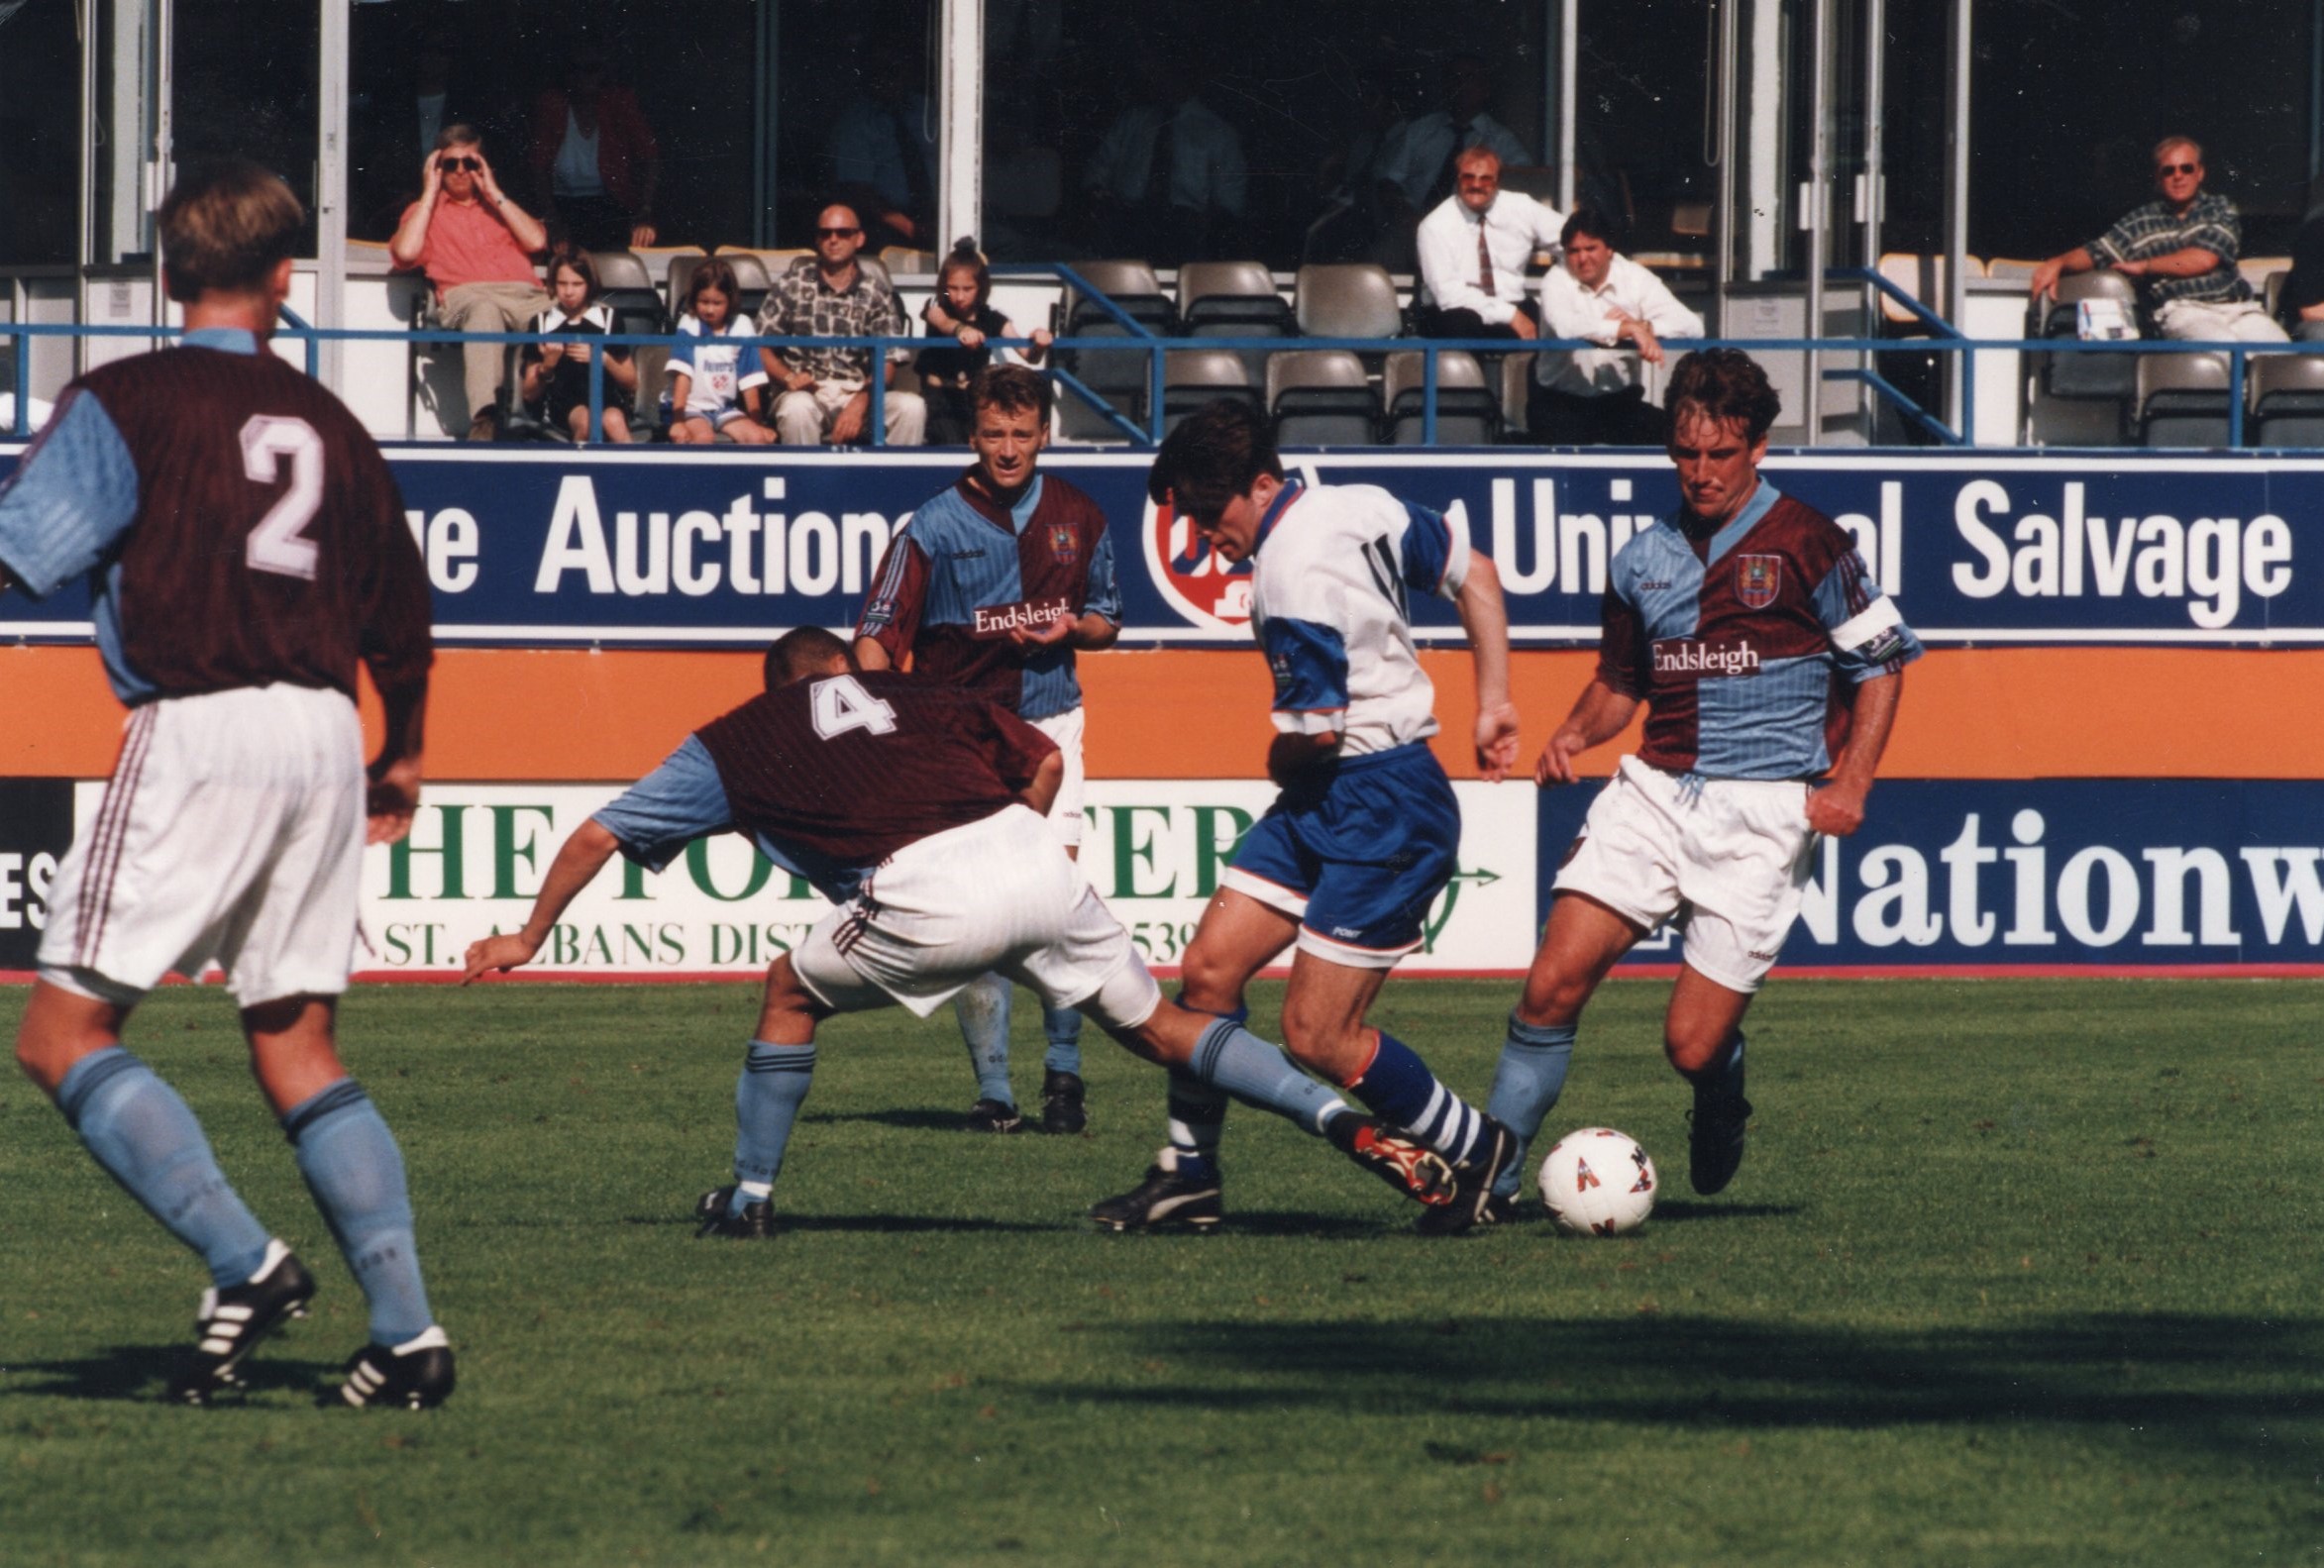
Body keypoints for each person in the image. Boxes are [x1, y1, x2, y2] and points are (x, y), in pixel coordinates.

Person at [460, 628, 1459, 1236]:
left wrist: (528, 933)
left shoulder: (740, 733)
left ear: (780, 684)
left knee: (788, 990)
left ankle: (751, 1194)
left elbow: (602, 828)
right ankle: (1343, 1122)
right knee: (1160, 1024)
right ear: (841, 668)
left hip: (924, 889)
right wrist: (1017, 837)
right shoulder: (913, 690)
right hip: (1028, 853)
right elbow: (1040, 759)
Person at [0, 160, 453, 1410]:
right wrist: (400, 746)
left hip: (197, 715)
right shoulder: (335, 424)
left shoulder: (124, 397)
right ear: (282, 280)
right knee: (297, 1041)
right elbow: (402, 616)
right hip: (320, 726)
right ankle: (407, 1332)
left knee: (63, 1033)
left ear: (164, 276)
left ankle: (243, 1260)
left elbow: (27, 549)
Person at [1478, 348, 1921, 1222]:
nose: (1702, 472)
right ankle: (1487, 1179)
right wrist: (1571, 730)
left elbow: (1884, 665)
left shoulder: (1809, 541)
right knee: (1550, 985)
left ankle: (1721, 1088)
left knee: (1689, 1044)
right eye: (1687, 454)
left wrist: (1852, 785)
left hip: (1763, 814)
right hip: (1654, 793)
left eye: (1721, 454)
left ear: (1757, 447)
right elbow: (1621, 684)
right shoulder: (1641, 558)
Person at [1091, 399, 1526, 1237]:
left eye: (1210, 513)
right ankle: (1189, 1176)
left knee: (1317, 1035)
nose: (1202, 533)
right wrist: (1494, 702)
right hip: (1341, 793)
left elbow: (1315, 734)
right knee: (1210, 970)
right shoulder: (1355, 502)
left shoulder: (1292, 573)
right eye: (1187, 515)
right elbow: (1478, 574)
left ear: (1260, 484)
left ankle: (1482, 1153)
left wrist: (1274, 761)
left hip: (1380, 801)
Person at [856, 365, 1114, 1135]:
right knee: (982, 912)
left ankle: (1063, 1078)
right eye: (994, 434)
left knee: (1054, 899)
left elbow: (1107, 617)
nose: (1008, 449)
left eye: (1022, 434)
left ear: (1044, 435)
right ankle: (994, 1091)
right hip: (963, 736)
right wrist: (885, 716)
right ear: (973, 437)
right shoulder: (932, 524)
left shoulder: (1079, 513)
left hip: (1051, 727)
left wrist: (1074, 630)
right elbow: (875, 634)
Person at [2028, 136, 2289, 344]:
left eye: (2186, 168)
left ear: (2200, 173)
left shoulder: (2220, 208)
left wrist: (2145, 266)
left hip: (2239, 309)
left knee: (2280, 356)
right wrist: (2059, 262)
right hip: (2183, 311)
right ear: (2158, 177)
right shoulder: (2139, 221)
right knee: (2222, 348)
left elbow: (2203, 259)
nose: (2178, 176)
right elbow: (2097, 251)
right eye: (2169, 170)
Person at [387, 124, 551, 442]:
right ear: (438, 167)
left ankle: (584, 415)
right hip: (466, 298)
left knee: (571, 317)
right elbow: (405, 253)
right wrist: (429, 193)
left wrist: (493, 191)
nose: (461, 171)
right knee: (484, 310)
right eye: (450, 164)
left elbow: (536, 242)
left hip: (525, 295)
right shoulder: (422, 211)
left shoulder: (500, 205)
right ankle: (485, 418)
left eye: (470, 163)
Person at [756, 204, 926, 448]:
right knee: (797, 408)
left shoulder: (875, 291)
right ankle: (806, 485)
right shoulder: (794, 284)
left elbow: (887, 362)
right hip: (806, 392)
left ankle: (895, 486)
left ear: (859, 238)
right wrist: (788, 377)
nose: (833, 240)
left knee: (911, 407)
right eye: (825, 233)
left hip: (859, 390)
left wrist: (860, 402)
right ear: (817, 239)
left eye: (843, 233)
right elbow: (761, 345)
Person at [1532, 207, 1705, 445]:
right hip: (1560, 404)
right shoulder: (1556, 279)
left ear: (1609, 249)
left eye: (1590, 248)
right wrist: (1626, 330)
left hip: (1620, 405)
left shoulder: (1635, 277)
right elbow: (1564, 327)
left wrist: (1645, 326)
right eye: (1574, 251)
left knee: (1680, 439)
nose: (1582, 259)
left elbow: (1693, 327)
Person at [1082, 52, 1249, 264]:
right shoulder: (1133, 121)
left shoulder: (1217, 132)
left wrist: (1203, 223)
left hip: (1185, 229)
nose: (1160, 79)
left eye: (1168, 71)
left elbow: (1230, 199)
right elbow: (1097, 170)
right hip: (1128, 220)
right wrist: (1104, 201)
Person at [1369, 53, 1532, 269]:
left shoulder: (1501, 141)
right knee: (1379, 263)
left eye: (1469, 78)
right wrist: (1408, 216)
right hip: (1412, 227)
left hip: (1469, 233)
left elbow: (1523, 185)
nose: (1461, 86)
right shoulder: (1420, 131)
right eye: (1454, 78)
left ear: (1485, 89)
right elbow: (1388, 181)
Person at [1413, 147, 1564, 341]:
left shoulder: (1521, 207)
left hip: (1511, 301)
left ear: (1497, 182)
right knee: (1462, 324)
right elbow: (1448, 293)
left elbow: (1574, 239)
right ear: (1458, 179)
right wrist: (1510, 315)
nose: (1476, 184)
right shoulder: (1434, 226)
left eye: (1485, 178)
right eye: (1468, 177)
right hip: (1455, 311)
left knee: (1551, 327)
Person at [915, 238, 1053, 446]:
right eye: (952, 288)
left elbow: (1029, 355)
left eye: (967, 289)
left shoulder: (991, 318)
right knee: (953, 443)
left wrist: (1040, 342)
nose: (959, 296)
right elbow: (942, 322)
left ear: (980, 288)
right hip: (939, 400)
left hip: (974, 401)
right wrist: (961, 330)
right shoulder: (937, 304)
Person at [524, 47, 661, 251]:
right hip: (563, 206)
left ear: (603, 73)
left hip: (612, 203)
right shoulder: (552, 105)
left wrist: (645, 211)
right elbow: (538, 168)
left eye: (591, 69)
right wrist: (552, 219)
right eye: (574, 69)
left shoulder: (619, 102)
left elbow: (651, 158)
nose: (582, 77)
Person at [519, 247, 637, 444]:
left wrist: (602, 358)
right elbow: (529, 393)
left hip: (606, 399)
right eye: (562, 283)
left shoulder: (609, 320)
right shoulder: (540, 323)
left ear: (589, 284)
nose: (568, 291)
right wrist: (547, 366)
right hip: (562, 404)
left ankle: (636, 471)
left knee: (614, 421)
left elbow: (631, 382)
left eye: (577, 284)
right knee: (586, 421)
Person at [663, 257, 775, 446]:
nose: (709, 309)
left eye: (717, 303)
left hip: (724, 409)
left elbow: (749, 381)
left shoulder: (742, 325)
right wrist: (678, 421)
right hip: (688, 408)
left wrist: (757, 424)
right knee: (703, 437)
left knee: (756, 438)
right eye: (703, 301)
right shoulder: (689, 323)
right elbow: (683, 374)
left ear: (730, 301)